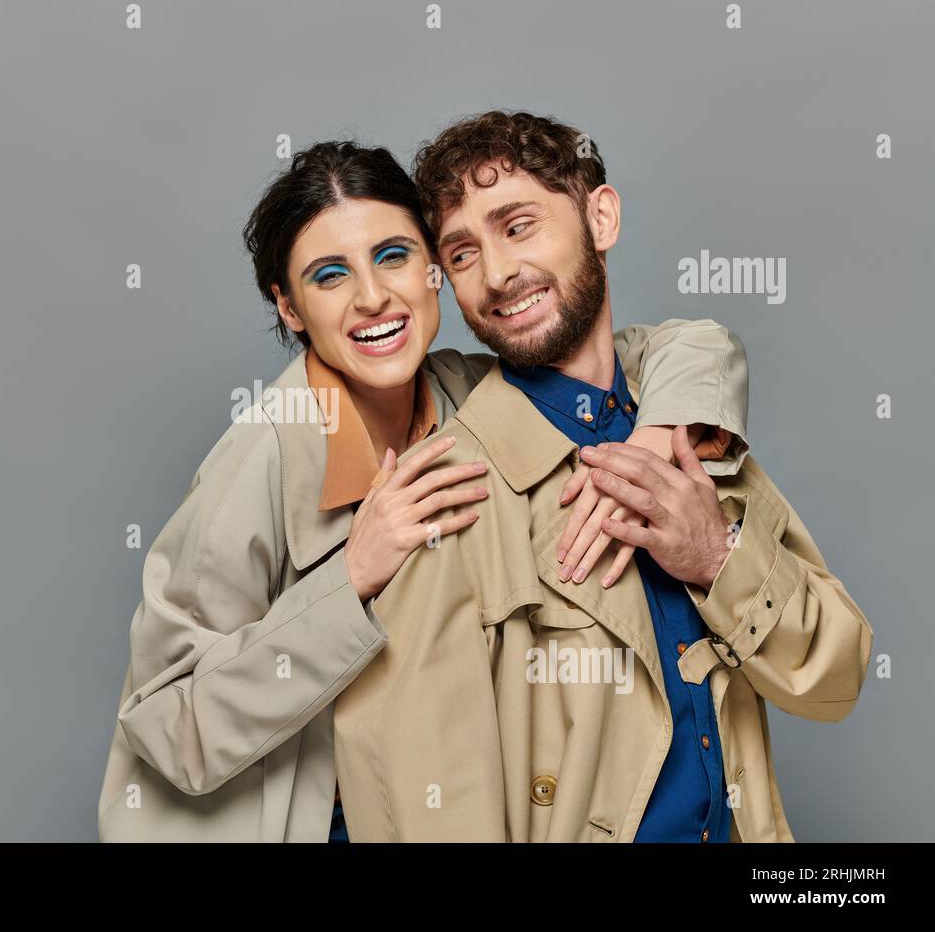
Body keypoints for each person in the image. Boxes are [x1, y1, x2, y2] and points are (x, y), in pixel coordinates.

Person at [98, 139, 753, 842]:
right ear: (288, 307)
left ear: (434, 269)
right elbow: (168, 726)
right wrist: (349, 580)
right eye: (328, 275)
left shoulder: (467, 392)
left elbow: (673, 346)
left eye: (393, 256)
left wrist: (657, 433)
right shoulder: (266, 453)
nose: (372, 296)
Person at [332, 110, 873, 842]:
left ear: (601, 216)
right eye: (461, 254)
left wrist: (718, 559)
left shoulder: (692, 429)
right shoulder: (447, 492)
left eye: (518, 225)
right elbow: (422, 803)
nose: (495, 275)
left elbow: (836, 677)